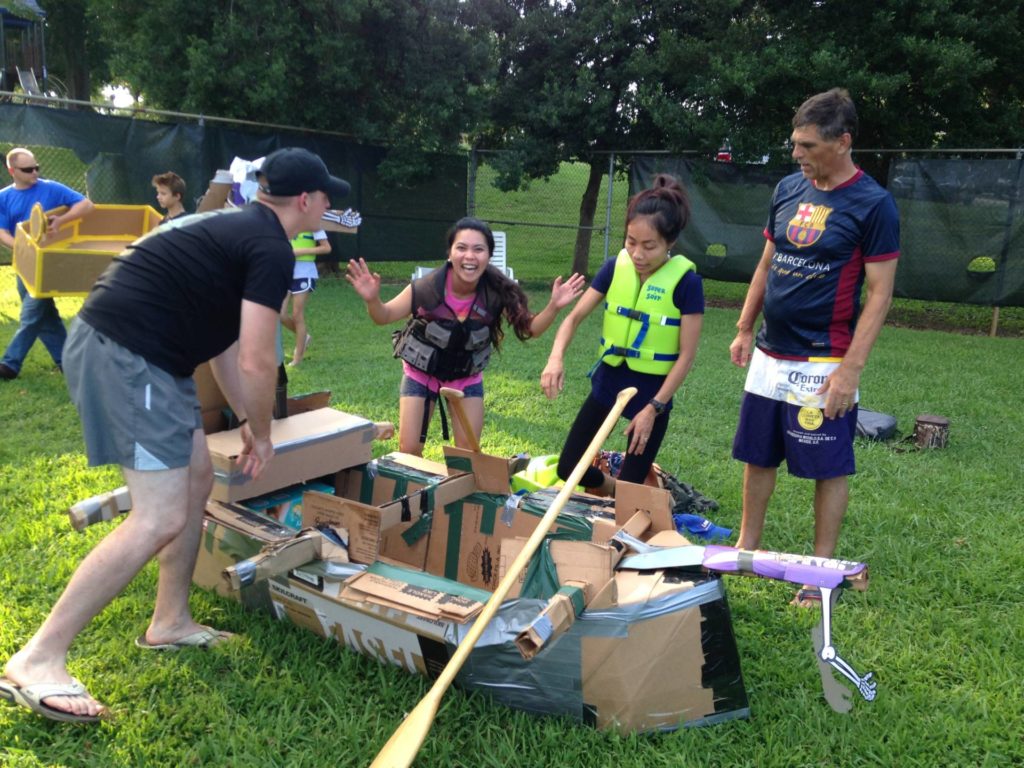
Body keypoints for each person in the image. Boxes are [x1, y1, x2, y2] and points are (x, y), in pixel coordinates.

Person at [0, 147, 350, 723]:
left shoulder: (231, 224)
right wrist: (262, 435)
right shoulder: (267, 246)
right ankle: (39, 657)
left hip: (145, 355)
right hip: (128, 355)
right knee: (158, 515)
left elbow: (223, 343)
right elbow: (263, 358)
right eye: (326, 196)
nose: (330, 204)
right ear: (306, 200)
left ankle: (169, 620)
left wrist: (244, 418)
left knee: (194, 478)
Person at [728, 88, 900, 607]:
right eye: (794, 144)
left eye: (807, 145)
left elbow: (880, 293)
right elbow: (766, 263)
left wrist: (850, 370)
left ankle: (820, 570)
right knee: (757, 457)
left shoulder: (874, 204)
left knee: (825, 465)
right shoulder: (786, 188)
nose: (798, 155)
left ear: (843, 142)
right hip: (769, 354)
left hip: (824, 359)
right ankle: (746, 549)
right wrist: (742, 326)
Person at [346, 217, 585, 455]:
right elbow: (384, 315)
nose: (469, 256)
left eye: (478, 249)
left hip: (466, 378)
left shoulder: (497, 292)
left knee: (467, 455)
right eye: (461, 248)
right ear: (450, 253)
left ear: (489, 256)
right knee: (409, 452)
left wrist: (553, 305)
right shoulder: (426, 288)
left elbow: (530, 329)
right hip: (422, 375)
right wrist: (372, 300)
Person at [541, 174, 704, 495]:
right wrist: (555, 357)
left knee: (632, 493)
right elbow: (573, 318)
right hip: (610, 380)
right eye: (631, 242)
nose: (638, 254)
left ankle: (630, 496)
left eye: (649, 246)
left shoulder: (687, 284)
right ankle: (615, 492)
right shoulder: (616, 267)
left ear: (670, 243)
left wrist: (653, 408)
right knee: (568, 467)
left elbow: (686, 356)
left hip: (652, 393)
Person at [0, 148, 95, 381]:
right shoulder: (3, 197)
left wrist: (61, 220)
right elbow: (2, 233)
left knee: (32, 315)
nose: (35, 172)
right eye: (28, 169)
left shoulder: (51, 187)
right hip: (25, 266)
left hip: (50, 265)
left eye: (36, 167)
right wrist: (24, 249)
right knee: (45, 317)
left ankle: (9, 365)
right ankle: (67, 361)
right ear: (12, 171)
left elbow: (86, 205)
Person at [281, 229, 330, 366]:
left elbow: (326, 248)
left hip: (304, 273)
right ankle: (304, 337)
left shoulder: (314, 224)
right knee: (280, 314)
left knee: (297, 315)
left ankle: (298, 358)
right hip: (285, 271)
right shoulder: (286, 221)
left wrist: (299, 252)